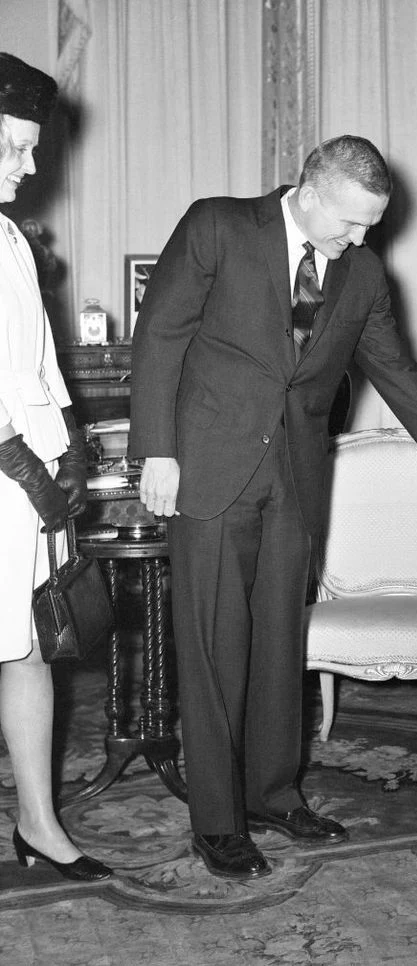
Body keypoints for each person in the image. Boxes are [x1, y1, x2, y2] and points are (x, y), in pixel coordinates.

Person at [129, 135, 417, 880]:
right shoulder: (219, 225)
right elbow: (159, 336)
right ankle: (218, 822)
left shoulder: (362, 272)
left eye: (371, 226)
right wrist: (156, 452)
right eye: (350, 222)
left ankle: (272, 794)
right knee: (213, 646)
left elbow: (392, 365)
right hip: (210, 468)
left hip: (296, 476)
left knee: (277, 645)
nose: (358, 239)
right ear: (311, 190)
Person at [0, 52, 111, 882]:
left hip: (24, 481)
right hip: (8, 475)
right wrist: (30, 473)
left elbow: (38, 362)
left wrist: (70, 450)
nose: (30, 166)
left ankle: (38, 823)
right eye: (13, 145)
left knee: (30, 646)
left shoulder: (9, 236)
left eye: (33, 147)